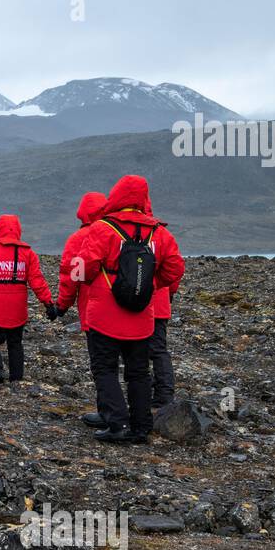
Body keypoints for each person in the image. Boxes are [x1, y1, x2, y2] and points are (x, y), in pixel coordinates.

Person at [71, 174, 185, 443]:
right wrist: (151, 284)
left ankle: (117, 423)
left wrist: (95, 281)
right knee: (138, 372)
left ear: (117, 196)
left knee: (105, 369)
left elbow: (83, 267)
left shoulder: (102, 228)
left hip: (104, 315)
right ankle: (141, 426)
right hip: (142, 317)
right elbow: (175, 269)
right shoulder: (160, 233)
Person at [0, 214, 56, 389]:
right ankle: (16, 378)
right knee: (15, 341)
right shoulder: (28, 253)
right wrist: (48, 303)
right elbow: (37, 281)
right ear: (18, 230)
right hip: (17, 305)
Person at [54, 192, 108, 427]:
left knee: (102, 364)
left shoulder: (79, 238)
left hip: (94, 310)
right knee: (136, 368)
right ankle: (139, 414)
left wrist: (62, 305)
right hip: (131, 310)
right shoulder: (118, 232)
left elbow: (71, 276)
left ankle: (109, 412)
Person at [145, 197, 178, 407]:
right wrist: (165, 290)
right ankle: (165, 394)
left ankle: (145, 393)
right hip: (160, 303)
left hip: (136, 304)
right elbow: (175, 269)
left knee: (137, 351)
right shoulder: (162, 234)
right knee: (159, 349)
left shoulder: (122, 231)